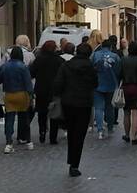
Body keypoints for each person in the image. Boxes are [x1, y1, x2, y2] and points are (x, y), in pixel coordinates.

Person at [57, 42, 98, 177]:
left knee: (71, 131)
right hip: (84, 103)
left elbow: (58, 83)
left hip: (68, 102)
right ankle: (75, 164)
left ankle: (71, 159)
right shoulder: (91, 67)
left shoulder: (66, 65)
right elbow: (95, 84)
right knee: (80, 134)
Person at [0, 46, 34, 153]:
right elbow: (28, 83)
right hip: (22, 94)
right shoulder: (23, 67)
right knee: (24, 118)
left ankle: (8, 143)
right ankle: (28, 141)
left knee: (9, 119)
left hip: (9, 95)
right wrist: (31, 96)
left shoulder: (5, 66)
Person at [31, 40, 63, 144]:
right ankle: (53, 138)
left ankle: (42, 132)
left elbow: (31, 73)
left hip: (41, 89)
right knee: (54, 114)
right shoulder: (59, 60)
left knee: (42, 112)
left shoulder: (39, 59)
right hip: (55, 90)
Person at [91, 37, 122, 139]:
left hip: (97, 84)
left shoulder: (95, 55)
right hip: (111, 85)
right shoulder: (115, 56)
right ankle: (110, 128)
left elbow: (91, 68)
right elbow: (118, 71)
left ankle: (100, 130)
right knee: (110, 108)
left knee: (99, 108)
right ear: (111, 47)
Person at [120, 41, 137, 145]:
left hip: (126, 87)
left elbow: (119, 74)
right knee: (135, 113)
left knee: (126, 112)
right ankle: (134, 137)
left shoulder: (123, 60)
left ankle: (126, 135)